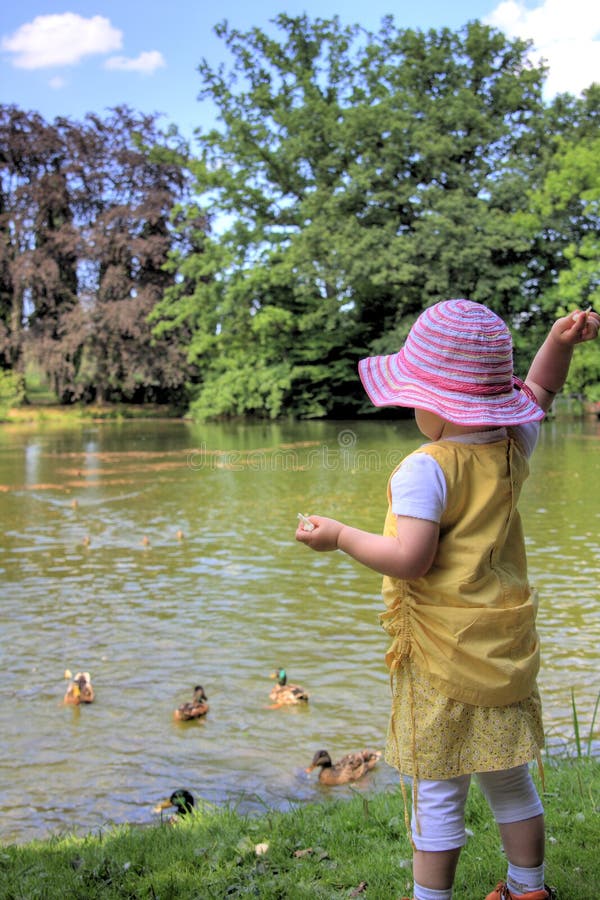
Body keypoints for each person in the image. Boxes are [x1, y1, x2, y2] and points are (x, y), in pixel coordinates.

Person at [295, 299, 599, 900]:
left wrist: (340, 536)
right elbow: (538, 388)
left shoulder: (425, 468)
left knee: (437, 787)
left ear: (432, 401)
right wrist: (561, 342)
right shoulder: (515, 442)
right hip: (501, 645)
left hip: (440, 654)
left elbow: (411, 559)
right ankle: (528, 888)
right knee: (509, 779)